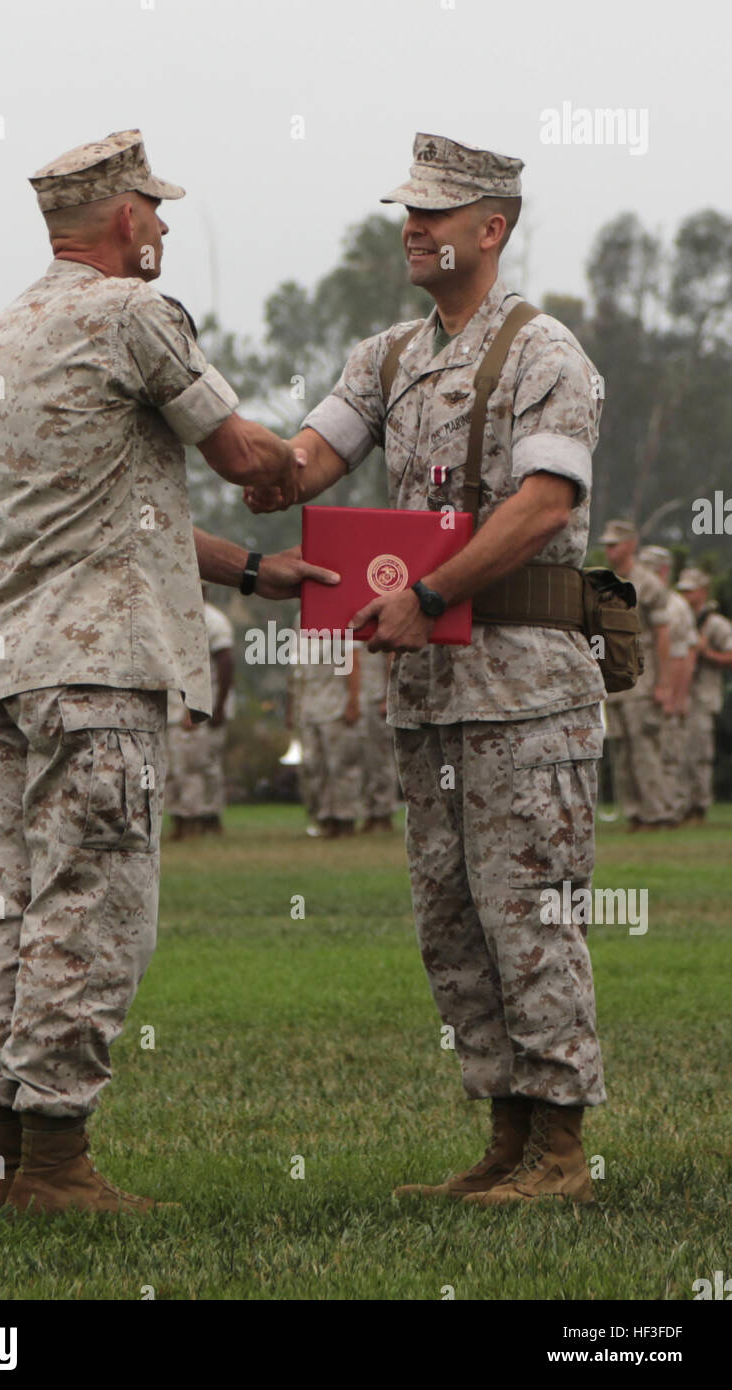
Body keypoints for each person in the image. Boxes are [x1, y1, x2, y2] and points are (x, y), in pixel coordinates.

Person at [0, 129, 336, 1216]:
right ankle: (57, 1165)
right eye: (155, 211)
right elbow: (242, 456)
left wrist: (253, 570)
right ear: (124, 219)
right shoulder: (133, 314)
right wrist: (311, 457)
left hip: (1, 666)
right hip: (95, 668)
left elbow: (119, 511)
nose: (164, 227)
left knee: (12, 906)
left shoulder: (1, 333)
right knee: (93, 903)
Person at [247, 133, 608, 1204]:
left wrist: (434, 592)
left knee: (528, 913)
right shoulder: (388, 358)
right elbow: (301, 463)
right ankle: (504, 1132)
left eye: (435, 213)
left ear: (489, 229)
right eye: (406, 209)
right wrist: (203, 421)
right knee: (450, 922)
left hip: (523, 691)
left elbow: (544, 505)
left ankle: (558, 1147)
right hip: (428, 696)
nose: (411, 226)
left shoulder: (544, 353)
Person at [601, 521, 675, 829]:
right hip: (616, 683)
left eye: (615, 544)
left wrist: (665, 684)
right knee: (622, 751)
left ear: (632, 545)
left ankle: (655, 812)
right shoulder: (606, 582)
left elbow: (663, 634)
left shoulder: (648, 583)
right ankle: (634, 812)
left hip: (643, 681)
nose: (610, 550)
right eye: (607, 544)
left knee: (645, 749)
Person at [638, 546, 698, 827]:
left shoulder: (675, 606)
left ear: (663, 571)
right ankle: (653, 810)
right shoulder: (642, 601)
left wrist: (676, 694)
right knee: (649, 752)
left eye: (650, 568)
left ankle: (673, 810)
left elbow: (683, 655)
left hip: (667, 688)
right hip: (645, 687)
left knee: (669, 752)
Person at [166, 595, 234, 838]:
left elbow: (225, 663)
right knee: (173, 770)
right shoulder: (167, 614)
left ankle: (200, 820)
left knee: (199, 768)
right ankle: (180, 820)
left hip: (199, 710)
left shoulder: (212, 619)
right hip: (170, 709)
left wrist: (216, 706)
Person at [287, 628, 363, 838]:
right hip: (308, 709)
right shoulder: (299, 622)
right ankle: (323, 818)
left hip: (335, 705)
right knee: (313, 766)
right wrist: (291, 708)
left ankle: (345, 818)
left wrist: (353, 703)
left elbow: (352, 661)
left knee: (340, 766)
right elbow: (295, 672)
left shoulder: (339, 620)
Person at [677, 567, 732, 825]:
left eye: (691, 589)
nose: (686, 594)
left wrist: (705, 652)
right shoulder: (679, 620)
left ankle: (698, 807)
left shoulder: (716, 624)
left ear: (703, 591)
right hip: (680, 695)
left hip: (703, 696)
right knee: (678, 753)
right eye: (683, 589)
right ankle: (680, 806)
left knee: (699, 754)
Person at [358, 647, 398, 832]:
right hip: (360, 701)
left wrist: (387, 697)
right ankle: (369, 812)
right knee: (364, 761)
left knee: (380, 760)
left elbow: (391, 655)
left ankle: (383, 813)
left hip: (376, 698)